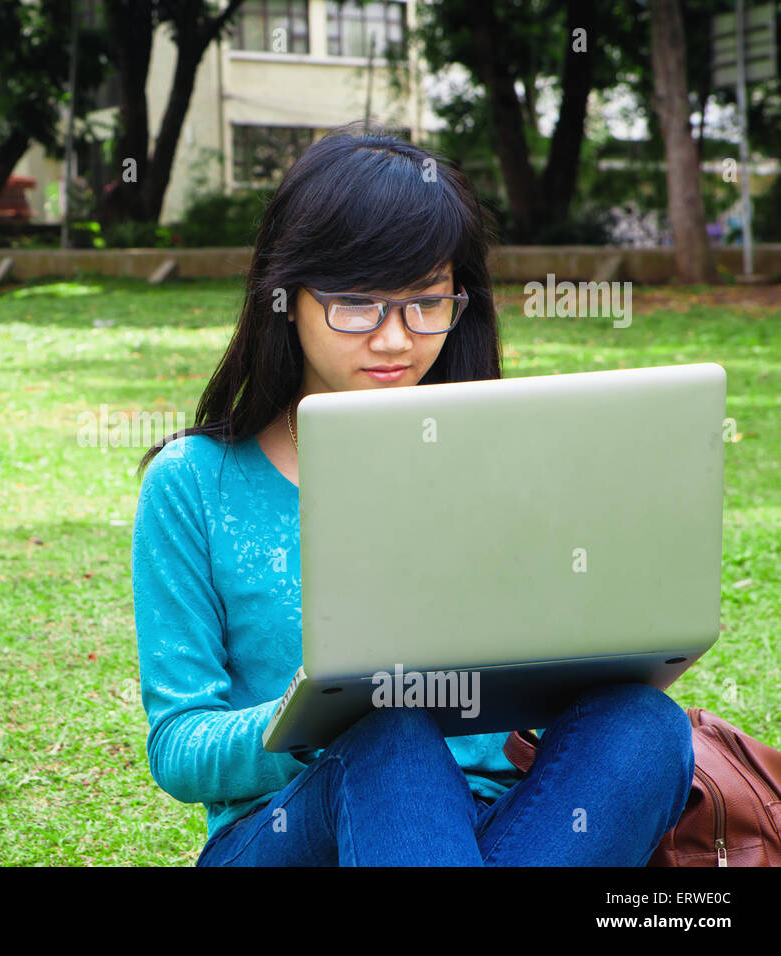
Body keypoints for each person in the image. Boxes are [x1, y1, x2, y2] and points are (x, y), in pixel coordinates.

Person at [130, 124, 694, 866]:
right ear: (285, 297)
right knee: (390, 728)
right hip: (292, 831)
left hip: (504, 829)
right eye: (356, 303)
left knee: (645, 724)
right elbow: (179, 746)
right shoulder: (194, 484)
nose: (396, 338)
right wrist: (308, 715)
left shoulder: (508, 457)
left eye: (426, 302)